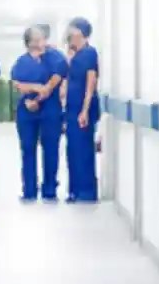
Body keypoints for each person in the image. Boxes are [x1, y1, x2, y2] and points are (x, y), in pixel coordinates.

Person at [10, 26, 68, 202]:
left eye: (41, 38)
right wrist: (34, 91)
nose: (38, 43)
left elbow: (55, 81)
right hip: (26, 111)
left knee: (50, 148)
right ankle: (29, 189)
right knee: (27, 148)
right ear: (27, 42)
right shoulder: (21, 61)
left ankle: (49, 188)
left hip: (50, 109)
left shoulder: (56, 58)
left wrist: (38, 98)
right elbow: (17, 84)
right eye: (34, 39)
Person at [63, 17, 100, 203]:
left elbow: (90, 82)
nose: (70, 35)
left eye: (73, 32)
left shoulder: (90, 53)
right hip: (72, 108)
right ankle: (74, 189)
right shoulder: (75, 54)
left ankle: (86, 191)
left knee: (83, 149)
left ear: (81, 33)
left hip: (83, 109)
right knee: (73, 150)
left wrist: (85, 110)